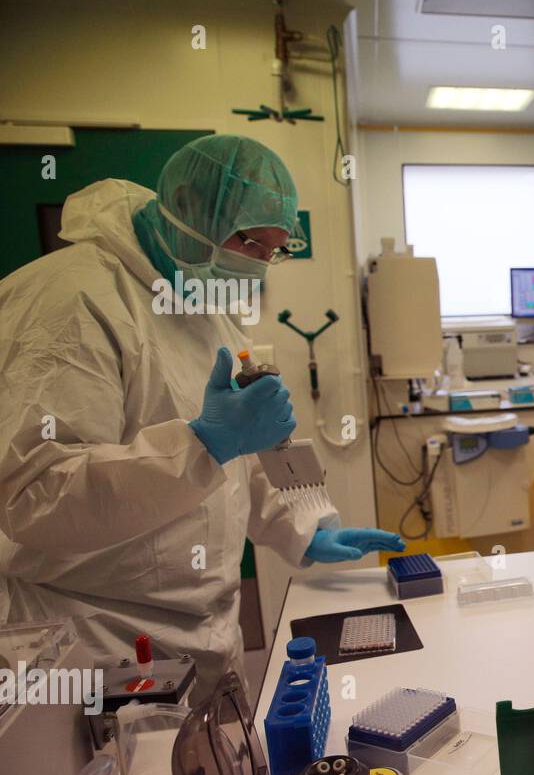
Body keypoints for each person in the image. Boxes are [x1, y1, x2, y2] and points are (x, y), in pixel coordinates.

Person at [0, 134, 403, 700]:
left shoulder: (204, 310)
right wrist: (200, 444)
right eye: (249, 242)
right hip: (94, 636)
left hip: (205, 628)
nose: (259, 265)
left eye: (273, 250)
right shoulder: (71, 299)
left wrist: (305, 526)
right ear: (187, 206)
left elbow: (240, 462)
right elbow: (36, 497)